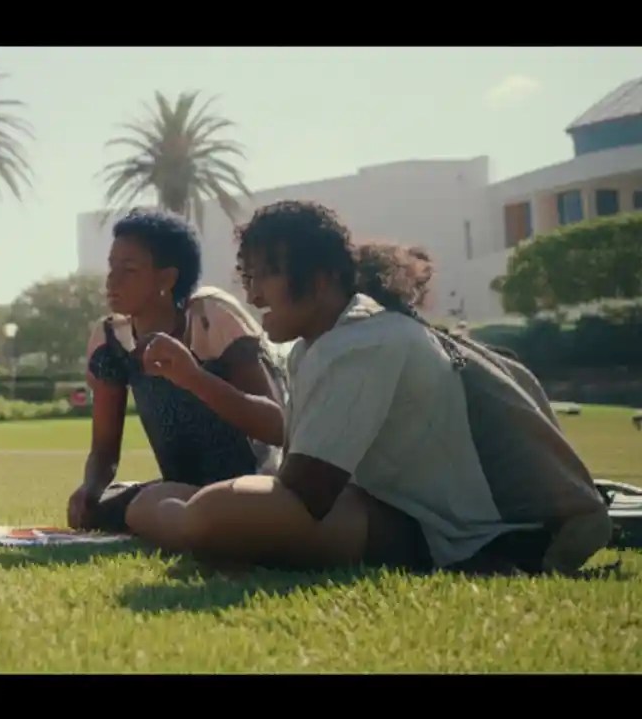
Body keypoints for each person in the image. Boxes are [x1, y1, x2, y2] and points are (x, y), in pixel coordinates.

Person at [146, 199, 607, 574]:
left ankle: (150, 517)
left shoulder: (362, 342)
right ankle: (149, 511)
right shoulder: (326, 344)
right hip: (393, 514)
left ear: (323, 279)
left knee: (209, 515)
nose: (253, 295)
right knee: (211, 506)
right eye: (247, 278)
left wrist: (196, 516)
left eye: (264, 275)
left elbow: (304, 494)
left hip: (447, 536)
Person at [68, 208, 287, 536]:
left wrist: (193, 378)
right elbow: (104, 449)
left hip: (248, 485)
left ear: (166, 279)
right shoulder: (112, 339)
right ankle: (187, 517)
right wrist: (90, 488)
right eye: (112, 267)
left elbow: (276, 427)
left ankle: (202, 521)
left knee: (168, 507)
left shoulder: (209, 317)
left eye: (128, 270)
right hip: (178, 490)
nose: (112, 280)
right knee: (98, 509)